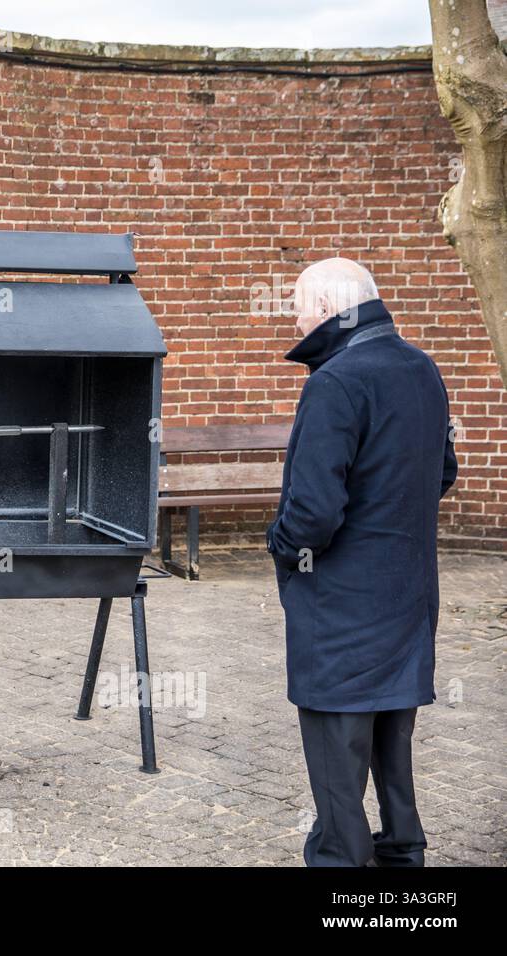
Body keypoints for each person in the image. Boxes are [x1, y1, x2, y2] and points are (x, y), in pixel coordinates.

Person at [266, 257, 458, 867]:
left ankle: (343, 877)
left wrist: (280, 545)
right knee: (391, 747)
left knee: (337, 761)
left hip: (342, 606)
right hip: (409, 595)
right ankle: (404, 857)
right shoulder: (421, 368)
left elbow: (314, 514)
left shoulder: (336, 381)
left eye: (298, 305)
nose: (294, 318)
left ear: (327, 309)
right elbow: (443, 471)